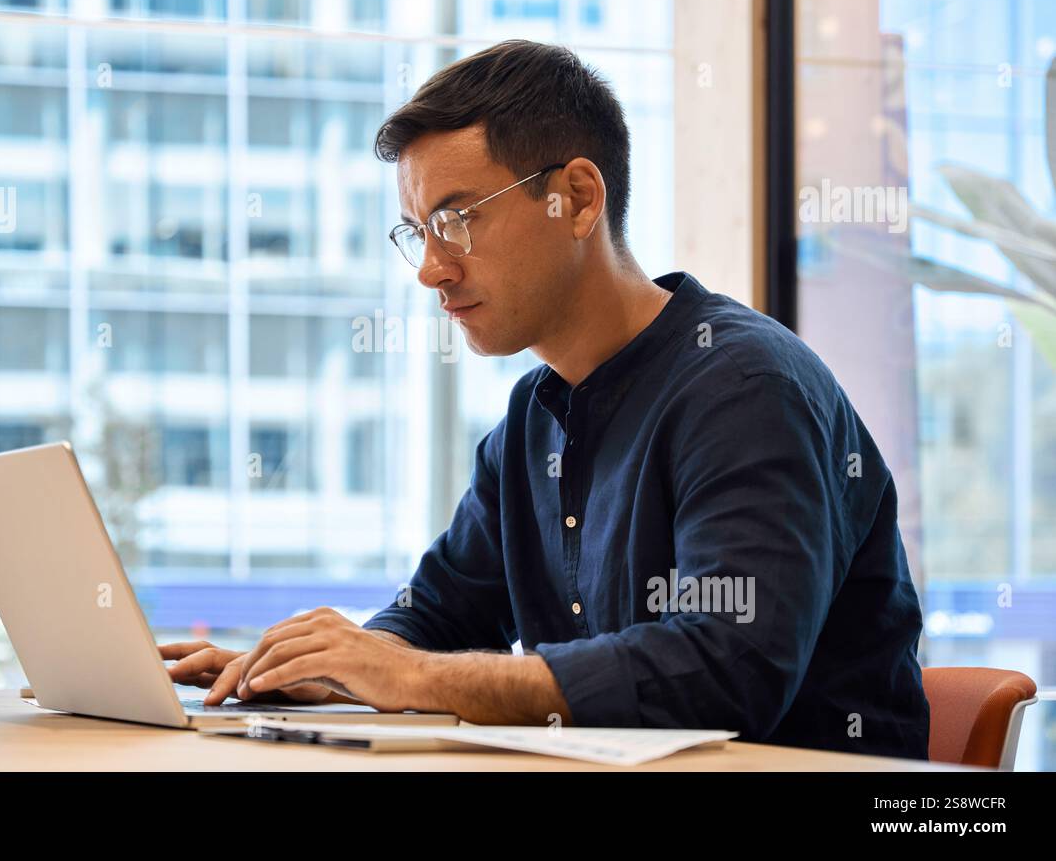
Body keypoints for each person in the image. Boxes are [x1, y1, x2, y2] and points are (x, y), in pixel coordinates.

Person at [159, 39, 930, 758]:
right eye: (416, 232)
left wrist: (411, 679)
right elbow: (438, 616)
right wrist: (310, 670)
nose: (430, 269)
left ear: (579, 198)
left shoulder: (746, 389)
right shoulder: (532, 419)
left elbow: (724, 670)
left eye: (456, 220)